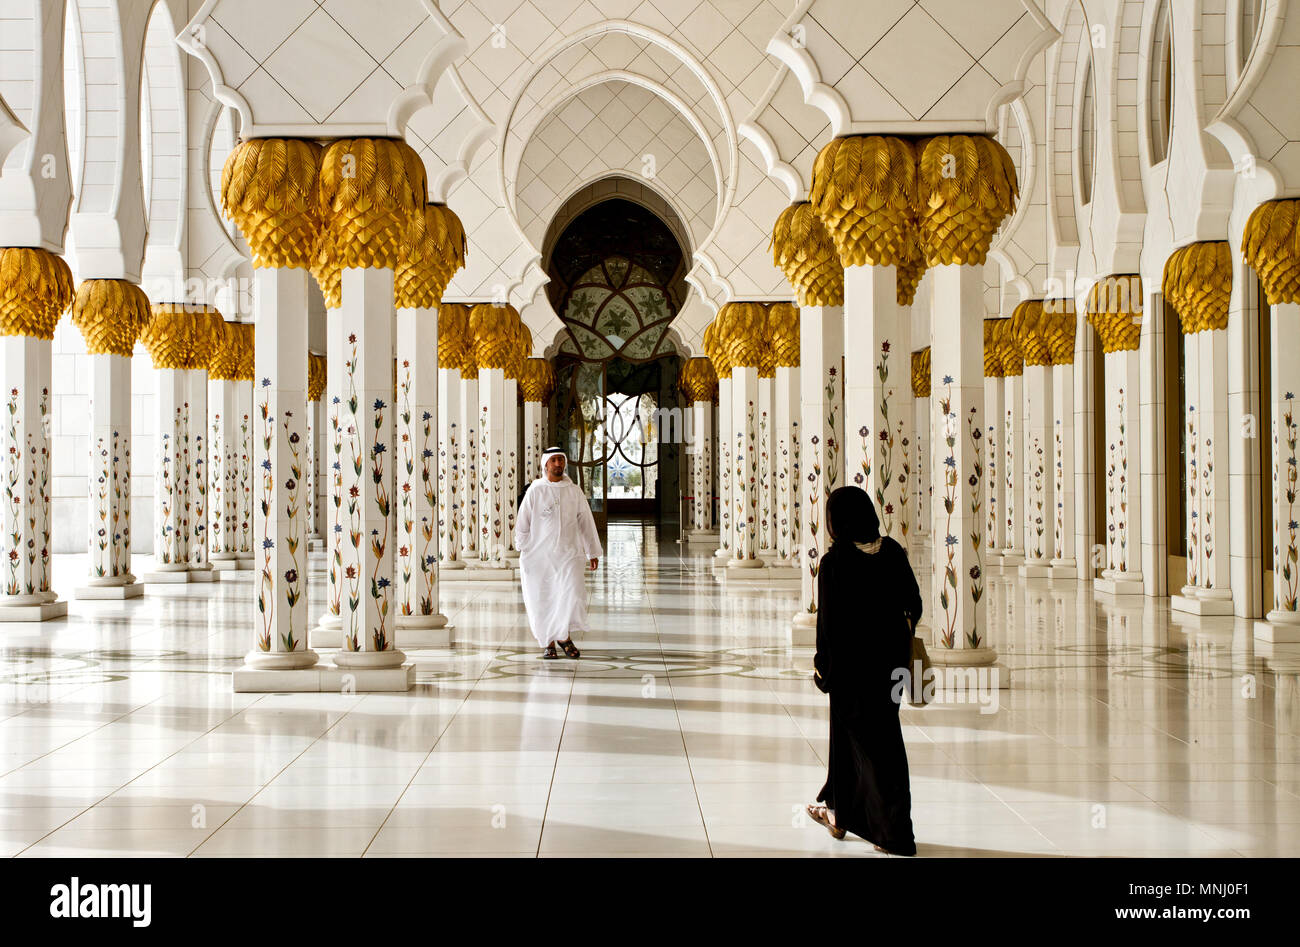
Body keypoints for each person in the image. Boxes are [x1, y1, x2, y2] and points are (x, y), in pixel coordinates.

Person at [805, 485, 921, 855]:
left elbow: (829, 626)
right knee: (859, 742)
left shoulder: (835, 562)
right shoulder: (893, 554)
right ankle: (838, 813)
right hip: (891, 671)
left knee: (876, 750)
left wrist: (823, 670)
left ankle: (895, 835)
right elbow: (914, 606)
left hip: (850, 675)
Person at [515, 447, 602, 659]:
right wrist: (523, 547)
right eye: (553, 460)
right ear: (546, 464)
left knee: (570, 594)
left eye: (560, 460)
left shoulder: (574, 491)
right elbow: (523, 523)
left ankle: (564, 636)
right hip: (539, 556)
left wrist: (592, 551)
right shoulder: (536, 490)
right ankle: (549, 642)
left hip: (569, 554)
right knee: (543, 598)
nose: (557, 464)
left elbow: (586, 522)